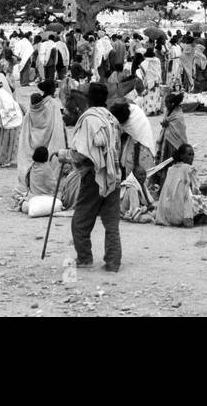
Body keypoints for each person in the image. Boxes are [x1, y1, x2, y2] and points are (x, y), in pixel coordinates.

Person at [59, 82, 122, 272]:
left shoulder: (89, 120)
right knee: (111, 224)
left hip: (94, 176)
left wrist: (64, 155)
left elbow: (82, 153)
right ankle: (113, 262)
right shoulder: (111, 118)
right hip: (114, 174)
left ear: (88, 99)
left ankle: (85, 258)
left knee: (80, 222)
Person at [154, 144, 207, 227]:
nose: (192, 157)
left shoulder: (170, 169)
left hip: (168, 208)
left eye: (193, 154)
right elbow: (197, 190)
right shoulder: (189, 169)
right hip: (181, 209)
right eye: (189, 154)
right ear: (181, 156)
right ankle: (193, 218)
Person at [110, 99, 154, 188]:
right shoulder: (131, 109)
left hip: (141, 145)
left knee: (137, 171)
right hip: (131, 140)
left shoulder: (133, 124)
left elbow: (136, 142)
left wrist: (136, 165)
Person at [0, 67, 23, 168]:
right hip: (5, 120)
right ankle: (3, 159)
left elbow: (10, 109)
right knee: (4, 140)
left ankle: (8, 160)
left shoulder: (3, 94)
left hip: (12, 120)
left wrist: (0, 114)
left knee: (9, 141)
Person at [156, 92, 189, 168]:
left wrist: (168, 124)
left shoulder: (178, 115)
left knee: (173, 157)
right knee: (165, 157)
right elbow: (167, 121)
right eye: (165, 102)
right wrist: (165, 124)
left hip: (174, 141)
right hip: (166, 138)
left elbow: (179, 128)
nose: (165, 105)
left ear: (172, 103)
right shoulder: (167, 111)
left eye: (167, 103)